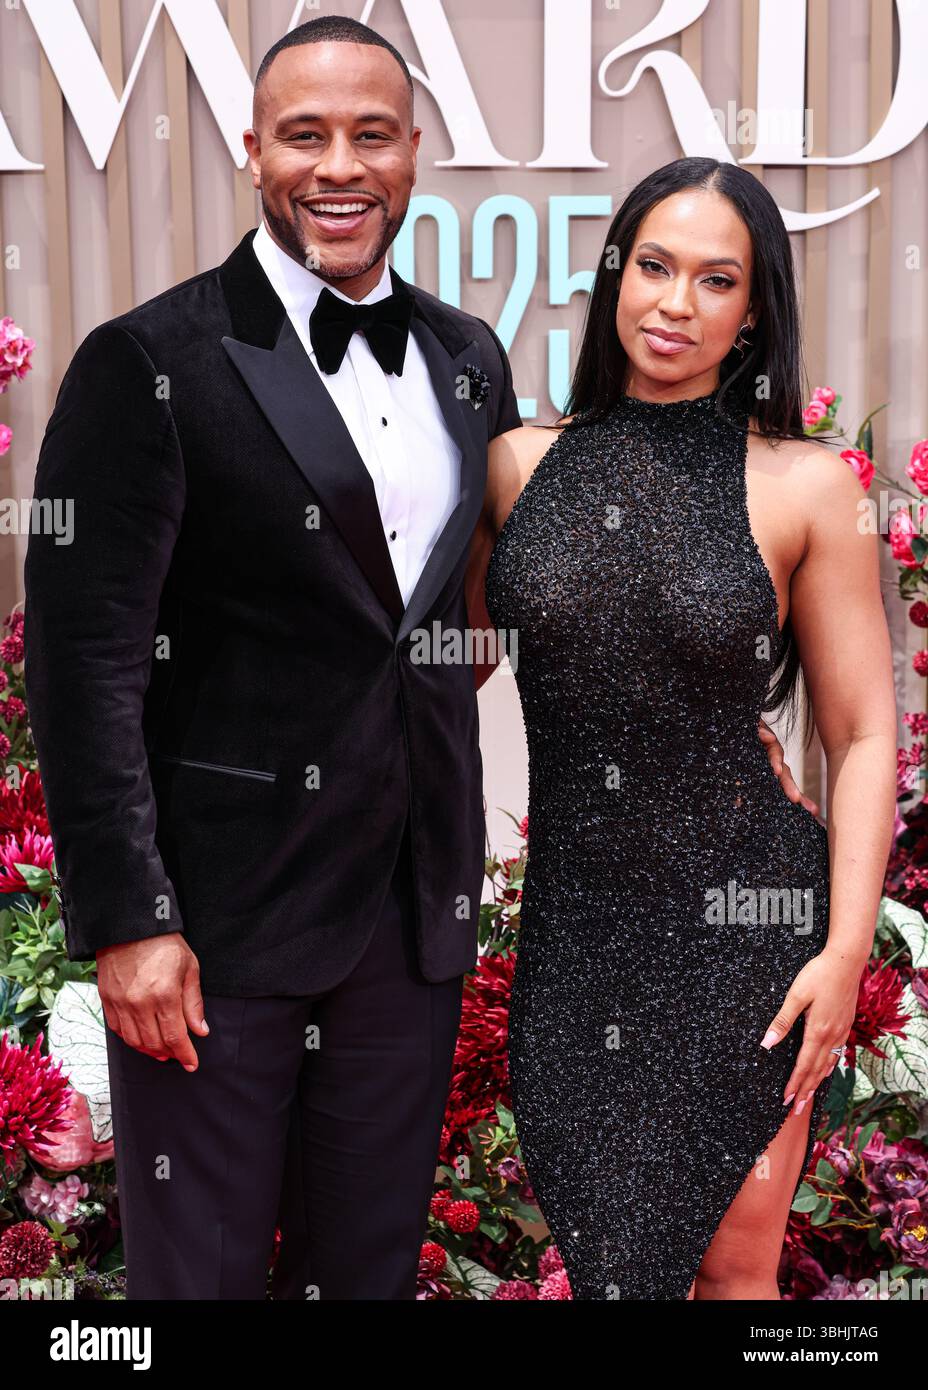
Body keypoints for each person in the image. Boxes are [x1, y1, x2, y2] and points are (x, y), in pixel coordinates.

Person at [23, 18, 801, 1299]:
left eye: (370, 135)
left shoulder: (462, 358)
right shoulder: (147, 363)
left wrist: (684, 712)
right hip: (216, 933)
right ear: (250, 149)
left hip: (407, 924)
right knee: (200, 1282)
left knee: (368, 1273)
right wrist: (130, 921)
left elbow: (506, 604)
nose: (340, 166)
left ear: (413, 152)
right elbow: (83, 666)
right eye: (306, 135)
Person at [467, 157, 897, 1300]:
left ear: (753, 310)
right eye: (653, 267)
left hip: (745, 924)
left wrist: (844, 949)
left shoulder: (810, 487)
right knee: (611, 1271)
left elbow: (860, 736)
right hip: (578, 938)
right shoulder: (516, 466)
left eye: (716, 281)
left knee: (734, 1266)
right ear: (613, 274)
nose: (674, 303)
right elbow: (429, 673)